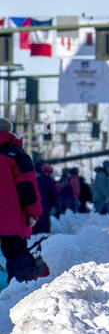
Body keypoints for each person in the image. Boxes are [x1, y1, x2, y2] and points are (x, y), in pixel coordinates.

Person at [0, 119, 46, 284]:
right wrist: (34, 213)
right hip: (10, 219)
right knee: (17, 258)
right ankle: (19, 295)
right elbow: (28, 187)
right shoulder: (17, 155)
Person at [34, 165, 58, 234]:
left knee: (36, 228)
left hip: (36, 207)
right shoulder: (50, 181)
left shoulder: (36, 179)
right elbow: (53, 195)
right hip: (46, 207)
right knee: (44, 229)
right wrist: (54, 205)